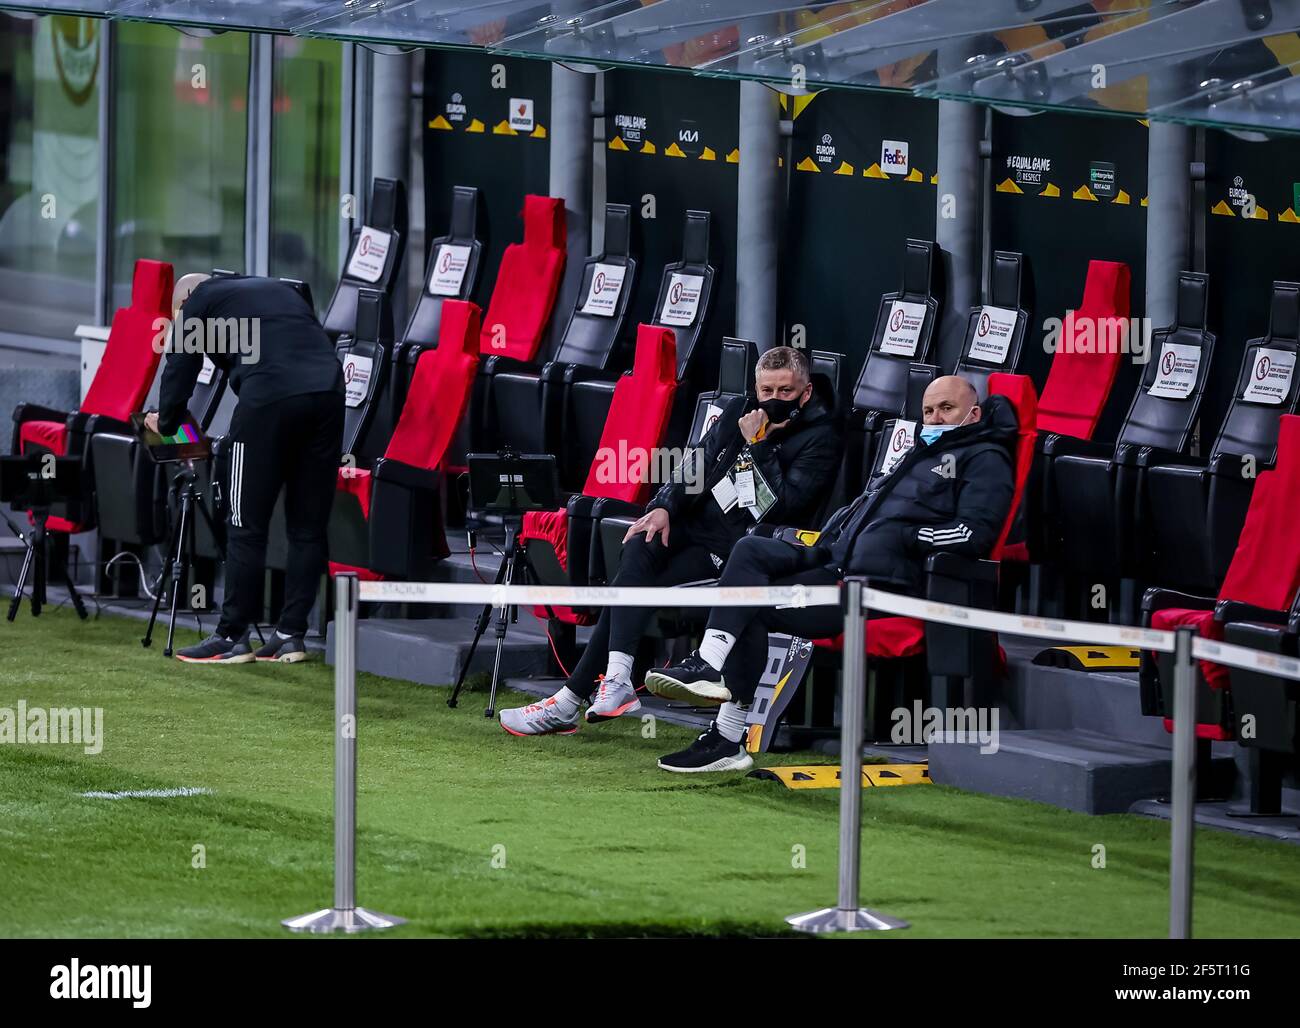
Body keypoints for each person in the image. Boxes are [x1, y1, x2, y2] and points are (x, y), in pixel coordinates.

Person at [645, 374, 1018, 772]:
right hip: (837, 563)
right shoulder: (921, 454)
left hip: (881, 589)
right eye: (929, 410)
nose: (936, 418)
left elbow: (973, 534)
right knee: (751, 554)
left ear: (973, 413)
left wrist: (909, 538)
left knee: (751, 606)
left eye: (947, 409)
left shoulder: (985, 458)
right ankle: (711, 672)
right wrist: (828, 543)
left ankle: (724, 730)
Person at [499, 345, 843, 736]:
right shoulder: (740, 411)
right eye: (768, 391)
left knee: (629, 590)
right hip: (694, 527)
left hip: (742, 548)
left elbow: (782, 509)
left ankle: (574, 699)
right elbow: (697, 461)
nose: (775, 400)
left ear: (806, 392)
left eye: (786, 392)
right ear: (756, 388)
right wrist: (663, 505)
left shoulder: (824, 438)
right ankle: (614, 678)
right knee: (641, 538)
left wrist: (760, 446)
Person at [144, 273, 345, 664]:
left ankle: (231, 636)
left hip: (269, 397)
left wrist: (165, 423)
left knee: (244, 520)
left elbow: (178, 368)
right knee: (307, 525)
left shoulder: (197, 302)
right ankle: (290, 634)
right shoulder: (277, 290)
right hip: (328, 392)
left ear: (182, 303)